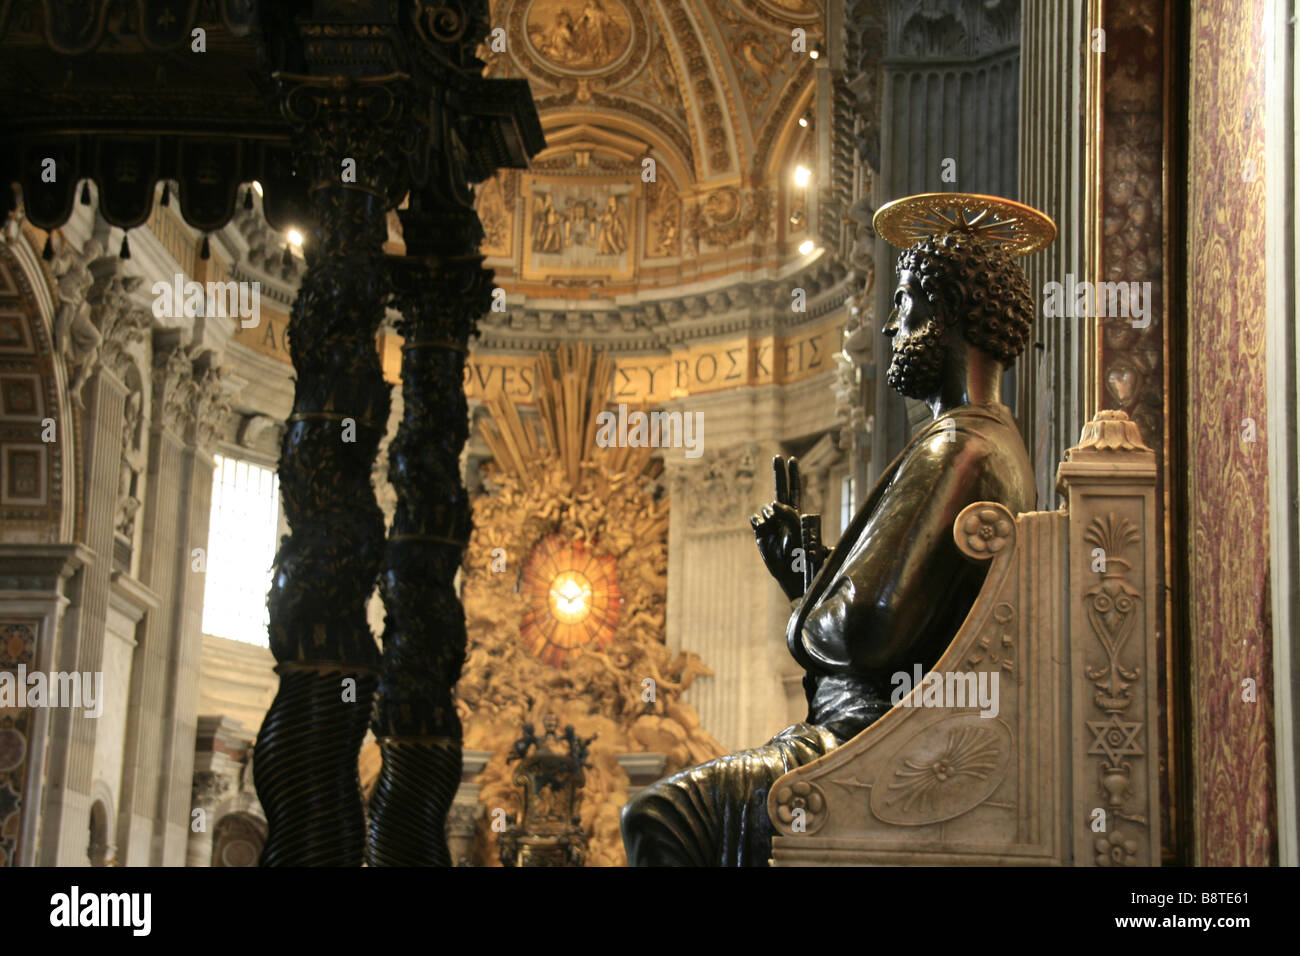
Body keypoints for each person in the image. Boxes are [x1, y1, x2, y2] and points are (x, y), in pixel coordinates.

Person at [621, 227, 1037, 866]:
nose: (893, 326)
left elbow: (867, 630)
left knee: (660, 814)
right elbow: (887, 614)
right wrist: (805, 571)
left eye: (904, 303)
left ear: (946, 309)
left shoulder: (957, 447)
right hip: (882, 727)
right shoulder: (974, 441)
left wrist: (805, 605)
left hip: (872, 741)